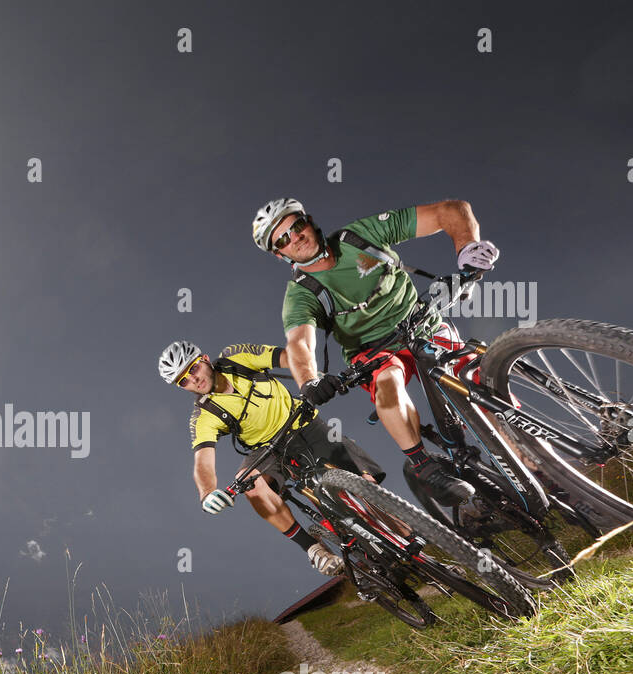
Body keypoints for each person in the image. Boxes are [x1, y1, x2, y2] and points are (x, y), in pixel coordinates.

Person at [250, 198, 501, 506]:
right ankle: (425, 467)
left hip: (421, 323)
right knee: (387, 386)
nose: (296, 238)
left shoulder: (359, 236)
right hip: (374, 350)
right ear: (280, 254)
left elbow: (450, 211)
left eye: (297, 226)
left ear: (309, 221)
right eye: (283, 239)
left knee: (482, 387)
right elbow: (300, 343)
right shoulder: (301, 294)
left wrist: (468, 250)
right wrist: (309, 382)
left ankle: (540, 467)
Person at [158, 340, 386, 577]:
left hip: (303, 421)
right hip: (269, 449)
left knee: (370, 490)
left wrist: (310, 380)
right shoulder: (203, 416)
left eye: (193, 369)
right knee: (249, 484)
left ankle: (414, 544)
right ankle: (313, 549)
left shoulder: (236, 357)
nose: (193, 380)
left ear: (205, 359)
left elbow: (290, 357)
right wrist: (207, 492)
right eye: (183, 381)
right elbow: (203, 461)